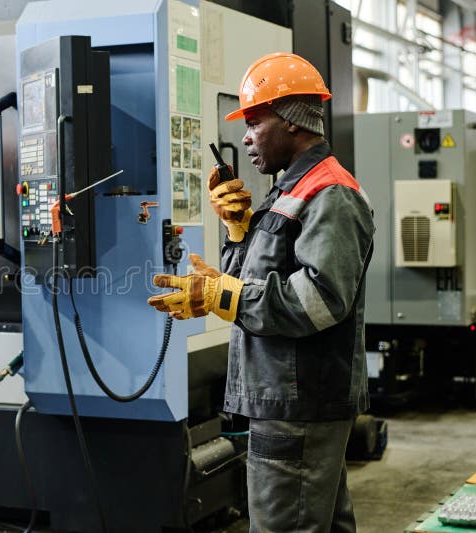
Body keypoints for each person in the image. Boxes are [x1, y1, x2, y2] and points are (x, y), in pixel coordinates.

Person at [148, 52, 374, 532]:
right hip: (290, 399)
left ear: (291, 120)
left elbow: (320, 300)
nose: (246, 137)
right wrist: (239, 231)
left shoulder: (329, 193)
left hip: (300, 405)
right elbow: (254, 280)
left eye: (254, 122)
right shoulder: (288, 190)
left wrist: (223, 295)